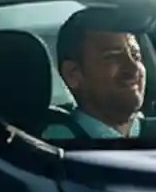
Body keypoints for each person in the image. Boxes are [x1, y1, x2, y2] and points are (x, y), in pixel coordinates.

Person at [44, 8, 146, 140]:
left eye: (136, 55)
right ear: (73, 74)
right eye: (112, 57)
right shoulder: (52, 148)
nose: (133, 68)